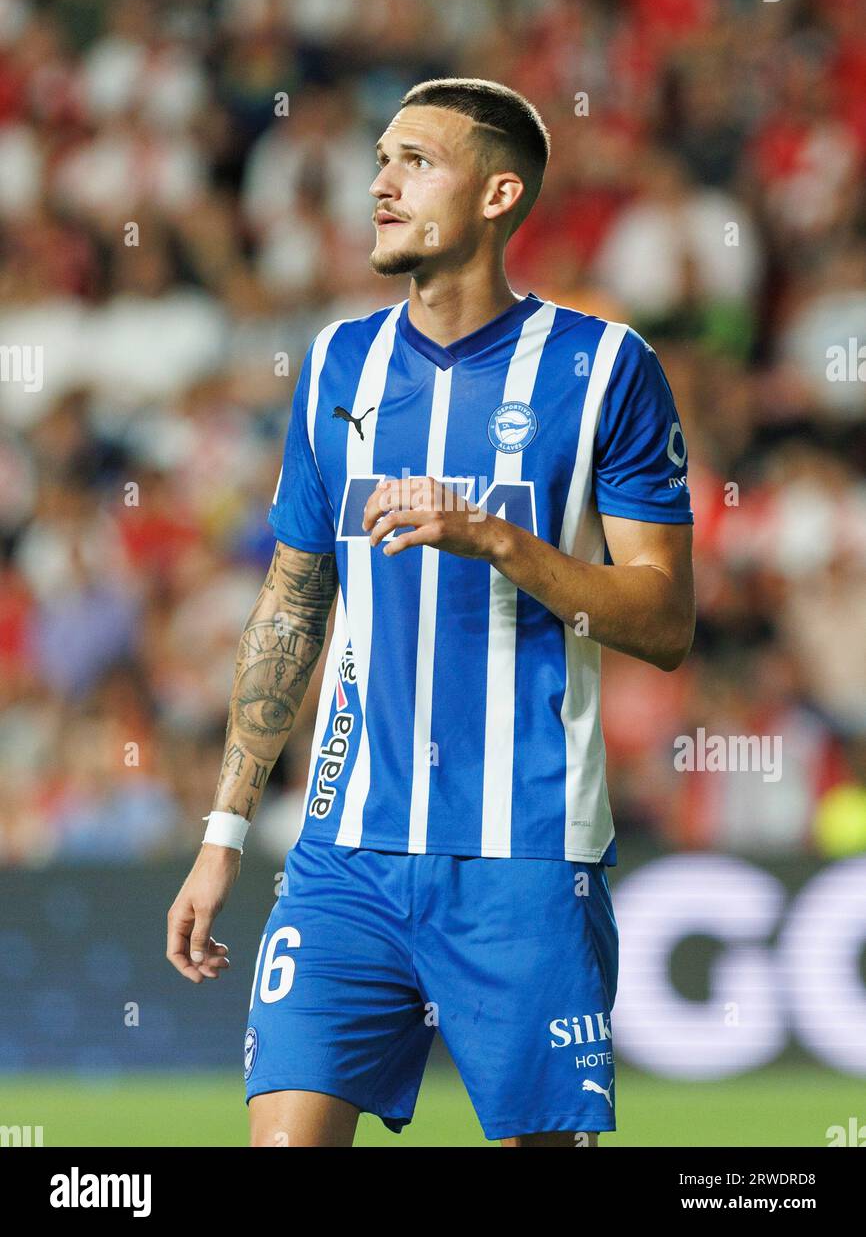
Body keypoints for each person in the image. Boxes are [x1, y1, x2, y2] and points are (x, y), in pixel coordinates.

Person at [167, 77, 695, 1147]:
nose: (380, 183)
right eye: (378, 160)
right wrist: (224, 829)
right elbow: (291, 601)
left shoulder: (602, 371)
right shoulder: (335, 363)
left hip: (524, 856)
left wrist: (497, 538)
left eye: (415, 161)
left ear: (500, 194)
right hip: (344, 853)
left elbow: (662, 619)